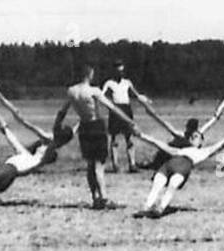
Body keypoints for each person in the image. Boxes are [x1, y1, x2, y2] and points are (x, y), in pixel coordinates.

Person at [53, 63, 151, 209]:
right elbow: (112, 107)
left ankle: (95, 198)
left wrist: (56, 125)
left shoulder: (71, 91)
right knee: (99, 165)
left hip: (84, 127)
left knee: (90, 164)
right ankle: (104, 198)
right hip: (96, 126)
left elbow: (62, 111)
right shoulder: (93, 91)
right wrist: (130, 122)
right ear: (89, 75)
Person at [129, 120, 224, 218]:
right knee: (157, 184)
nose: (193, 137)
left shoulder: (204, 152)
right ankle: (146, 207)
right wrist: (141, 135)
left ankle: (160, 208)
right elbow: (158, 144)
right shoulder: (180, 150)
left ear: (201, 142)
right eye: (192, 136)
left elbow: (223, 142)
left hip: (183, 167)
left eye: (197, 136)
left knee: (172, 185)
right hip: (168, 165)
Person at [101, 61, 146, 173]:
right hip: (115, 110)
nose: (120, 73)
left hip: (127, 109)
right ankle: (115, 165)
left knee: (129, 137)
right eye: (118, 71)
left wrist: (145, 99)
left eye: (122, 71)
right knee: (114, 138)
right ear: (114, 71)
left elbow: (136, 95)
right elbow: (101, 95)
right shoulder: (109, 83)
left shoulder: (127, 82)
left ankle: (132, 164)